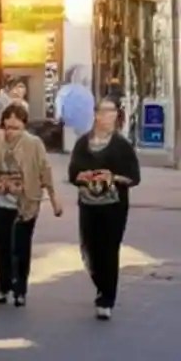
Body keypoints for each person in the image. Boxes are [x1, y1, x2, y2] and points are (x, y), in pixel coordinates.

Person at [0, 101, 62, 308]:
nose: (11, 132)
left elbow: (45, 170)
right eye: (7, 127)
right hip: (0, 201)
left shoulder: (34, 144)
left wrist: (53, 198)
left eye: (16, 128)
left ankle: (20, 290)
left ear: (24, 126)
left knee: (22, 247)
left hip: (27, 202)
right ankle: (3, 287)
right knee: (2, 245)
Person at [69, 97, 142, 320]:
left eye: (113, 112)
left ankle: (106, 297)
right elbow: (73, 174)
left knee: (109, 249)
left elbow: (134, 177)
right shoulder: (83, 143)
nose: (109, 116)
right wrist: (84, 177)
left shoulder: (122, 145)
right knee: (90, 248)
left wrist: (113, 177)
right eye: (105, 111)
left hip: (114, 205)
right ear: (96, 115)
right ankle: (100, 283)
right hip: (89, 204)